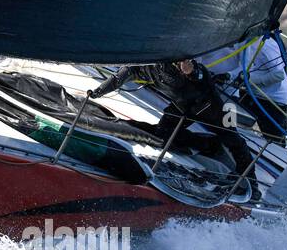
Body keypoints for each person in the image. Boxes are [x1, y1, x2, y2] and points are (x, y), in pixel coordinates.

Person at [90, 58, 260, 200]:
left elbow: (202, 76)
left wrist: (192, 71)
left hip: (210, 105)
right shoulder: (139, 66)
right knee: (162, 133)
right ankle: (208, 144)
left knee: (234, 139)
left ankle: (252, 185)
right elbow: (117, 78)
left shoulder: (180, 62)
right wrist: (96, 92)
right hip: (182, 106)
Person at [199, 35, 287, 141]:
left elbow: (278, 75)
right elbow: (244, 68)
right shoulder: (243, 41)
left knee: (273, 140)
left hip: (272, 100)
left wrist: (249, 80)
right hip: (250, 93)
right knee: (234, 122)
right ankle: (231, 141)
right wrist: (229, 75)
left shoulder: (267, 44)